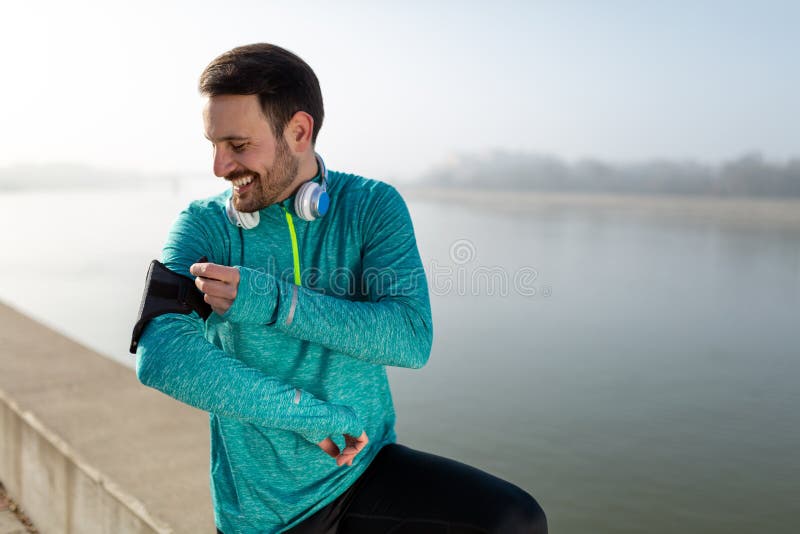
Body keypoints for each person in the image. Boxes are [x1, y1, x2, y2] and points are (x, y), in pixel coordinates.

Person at [135, 43, 547, 533]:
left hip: (367, 467)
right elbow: (161, 354)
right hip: (268, 513)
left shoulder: (372, 206)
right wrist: (313, 418)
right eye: (214, 144)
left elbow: (411, 338)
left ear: (299, 131)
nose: (220, 167)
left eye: (238, 146)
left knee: (515, 521)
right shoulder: (204, 226)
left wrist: (273, 302)